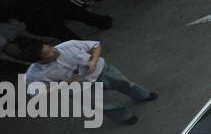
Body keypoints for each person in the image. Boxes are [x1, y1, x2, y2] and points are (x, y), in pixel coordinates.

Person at [23, 38, 156, 125]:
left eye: (50, 47)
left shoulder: (68, 45)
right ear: (39, 60)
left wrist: (93, 61)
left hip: (101, 71)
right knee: (105, 105)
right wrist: (64, 84)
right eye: (47, 53)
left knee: (126, 84)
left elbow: (95, 45)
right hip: (80, 90)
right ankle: (125, 117)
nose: (54, 50)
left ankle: (143, 95)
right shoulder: (33, 74)